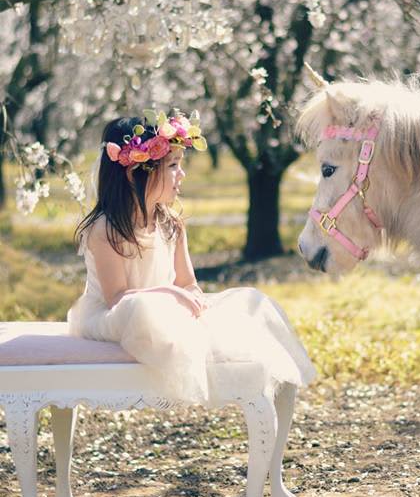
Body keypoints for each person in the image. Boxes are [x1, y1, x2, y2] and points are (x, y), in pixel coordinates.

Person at [68, 110, 315, 404]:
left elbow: (187, 283)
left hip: (166, 308)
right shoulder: (105, 229)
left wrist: (192, 300)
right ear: (135, 173)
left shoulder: (171, 224)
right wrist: (171, 294)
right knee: (144, 307)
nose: (181, 175)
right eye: (172, 166)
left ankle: (261, 385)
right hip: (116, 316)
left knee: (251, 305)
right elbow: (118, 299)